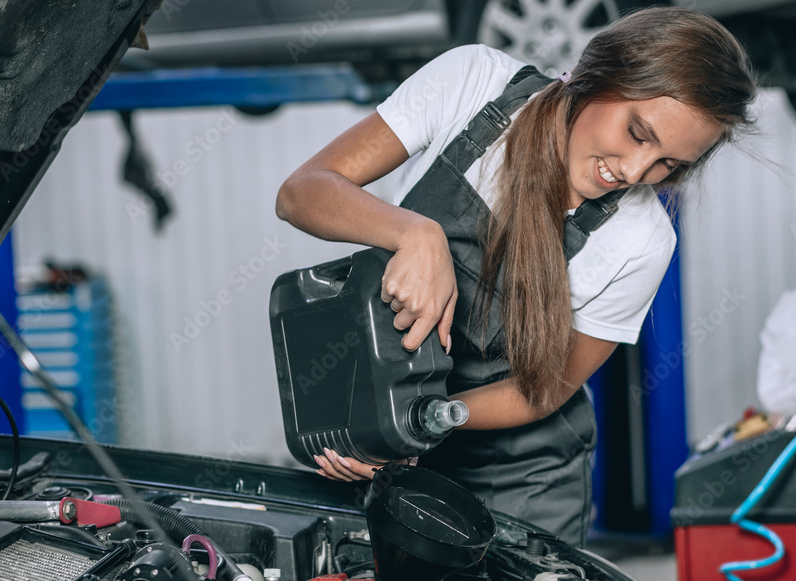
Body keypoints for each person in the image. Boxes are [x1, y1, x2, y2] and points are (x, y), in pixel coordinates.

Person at [275, 7, 756, 546]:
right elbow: (303, 193)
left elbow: (545, 389)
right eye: (637, 133)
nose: (634, 172)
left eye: (669, 164)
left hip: (525, 479)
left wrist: (423, 421)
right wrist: (416, 235)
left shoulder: (643, 240)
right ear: (598, 74)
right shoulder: (471, 83)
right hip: (399, 445)